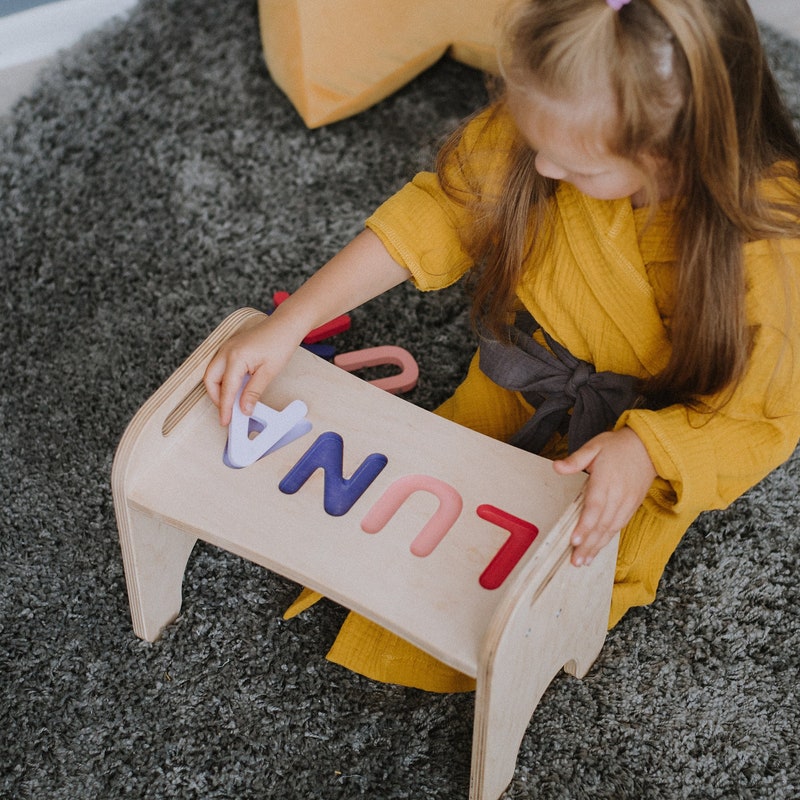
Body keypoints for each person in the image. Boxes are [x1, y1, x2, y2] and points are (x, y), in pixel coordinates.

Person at [204, 0, 800, 692]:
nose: (542, 164)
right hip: (519, 381)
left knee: (531, 605)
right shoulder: (561, 119)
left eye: (577, 166)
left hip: (646, 442)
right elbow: (444, 208)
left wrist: (647, 451)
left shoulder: (774, 247)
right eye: (532, 136)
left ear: (673, 149)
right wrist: (294, 319)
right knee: (389, 521)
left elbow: (763, 413)